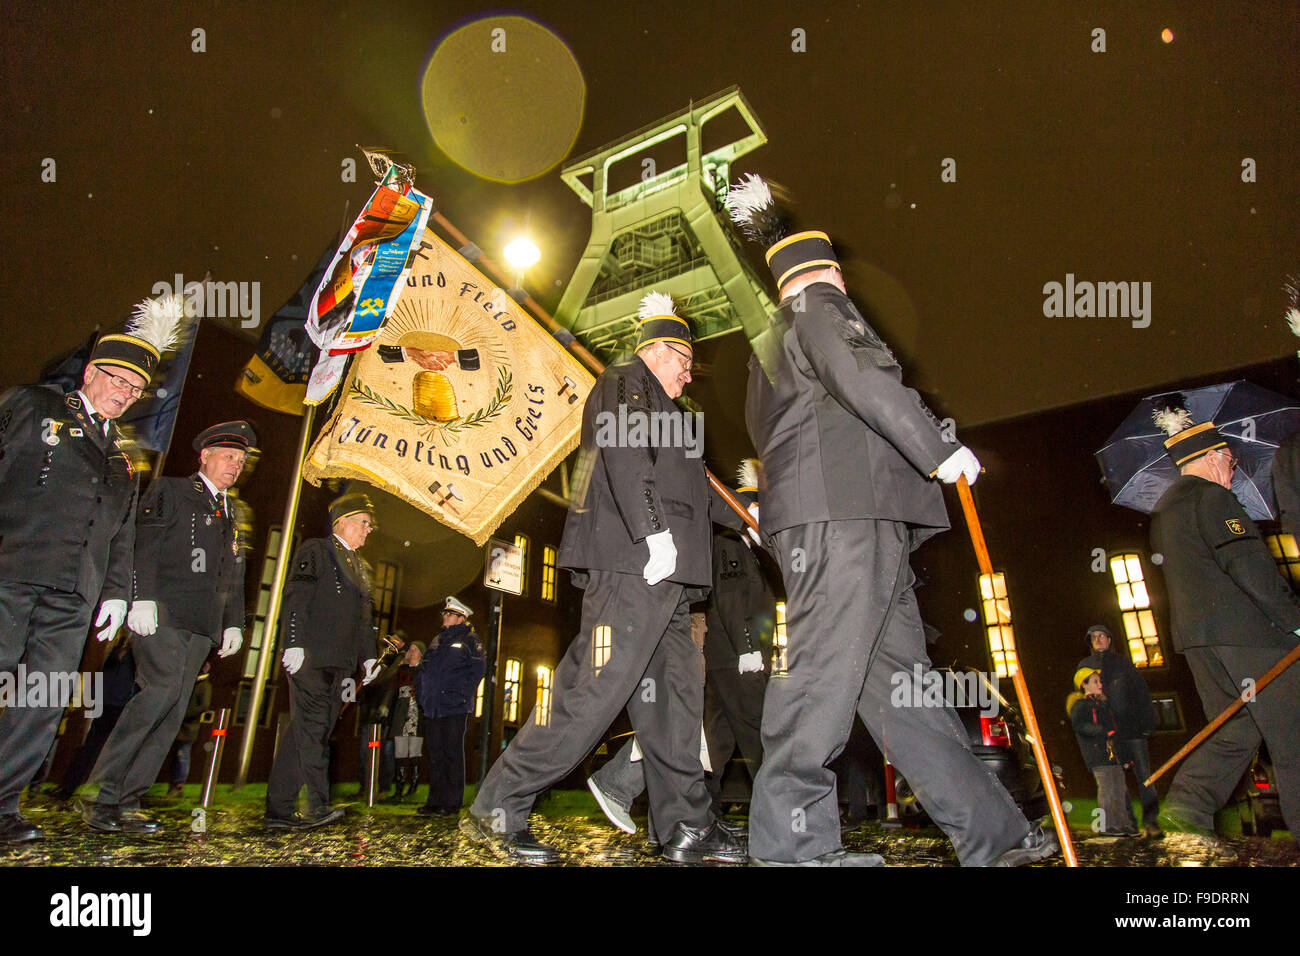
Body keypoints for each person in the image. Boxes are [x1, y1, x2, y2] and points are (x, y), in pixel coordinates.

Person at [728, 174, 1058, 866]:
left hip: (845, 522)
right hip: (845, 522)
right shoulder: (821, 309)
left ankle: (990, 834)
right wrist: (939, 450)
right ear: (829, 274)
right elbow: (867, 383)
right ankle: (793, 850)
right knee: (818, 678)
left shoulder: (772, 345)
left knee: (906, 697)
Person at [464, 291, 747, 864]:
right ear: (653, 349)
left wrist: (747, 516)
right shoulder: (625, 380)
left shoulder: (679, 417)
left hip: (672, 580)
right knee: (591, 689)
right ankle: (499, 803)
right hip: (634, 564)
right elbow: (624, 456)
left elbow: (694, 492)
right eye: (683, 360)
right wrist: (653, 533)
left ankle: (686, 826)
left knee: (674, 703)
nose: (688, 376)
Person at [0, 294, 185, 845]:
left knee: (44, 698)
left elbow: (121, 534)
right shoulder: (32, 406)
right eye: (116, 379)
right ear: (90, 372)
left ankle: (4, 804)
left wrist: (116, 594)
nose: (124, 393)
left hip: (72, 595)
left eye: (134, 389)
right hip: (12, 570)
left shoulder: (123, 460)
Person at [85, 420, 254, 833]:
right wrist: (138, 596)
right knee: (159, 691)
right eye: (229, 456)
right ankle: (99, 792)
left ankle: (128, 799)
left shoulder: (233, 512)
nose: (235, 465)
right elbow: (143, 544)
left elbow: (232, 575)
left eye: (242, 460)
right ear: (205, 456)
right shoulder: (172, 491)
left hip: (201, 625)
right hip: (160, 613)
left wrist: (233, 623)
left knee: (174, 709)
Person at [1150, 415, 1300, 841]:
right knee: (1294, 731)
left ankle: (1186, 807)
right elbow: (1249, 568)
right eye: (1231, 463)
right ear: (1213, 456)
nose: (1232, 473)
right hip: (1250, 640)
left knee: (1235, 729)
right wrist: (1294, 623)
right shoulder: (1214, 500)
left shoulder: (1165, 510)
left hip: (1199, 644)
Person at [264, 492, 380, 829]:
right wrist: (294, 643)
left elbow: (362, 619)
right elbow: (297, 596)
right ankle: (316, 804)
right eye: (363, 523)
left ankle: (279, 809)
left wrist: (369, 658)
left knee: (308, 733)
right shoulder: (317, 551)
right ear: (341, 522)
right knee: (313, 731)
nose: (367, 530)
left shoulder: (359, 567)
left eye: (369, 526)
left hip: (340, 665)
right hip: (311, 659)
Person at [1077, 624, 1161, 837]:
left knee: (1144, 775)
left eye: (1102, 636)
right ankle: (1128, 822)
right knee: (1116, 778)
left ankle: (1151, 821)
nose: (1098, 640)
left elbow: (1141, 692)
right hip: (1108, 732)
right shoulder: (1086, 666)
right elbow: (1081, 697)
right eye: (1094, 637)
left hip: (1132, 728)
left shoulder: (1123, 663)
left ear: (1109, 639)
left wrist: (1148, 723)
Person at [415, 598, 483, 815]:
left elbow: (478, 670)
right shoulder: (437, 641)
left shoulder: (470, 641)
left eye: (449, 614)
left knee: (452, 753)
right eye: (444, 614)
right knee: (435, 754)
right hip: (434, 706)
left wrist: (461, 694)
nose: (445, 617)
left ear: (461, 618)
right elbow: (425, 670)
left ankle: (452, 802)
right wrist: (423, 695)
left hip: (455, 707)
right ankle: (434, 801)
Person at [53, 635, 137, 800]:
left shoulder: (137, 652)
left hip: (122, 706)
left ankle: (105, 792)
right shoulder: (115, 649)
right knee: (89, 747)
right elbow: (104, 674)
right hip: (106, 704)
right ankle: (68, 788)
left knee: (114, 750)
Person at [1068, 666, 1137, 836]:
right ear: (1084, 685)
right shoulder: (1081, 706)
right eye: (1095, 681)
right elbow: (1080, 726)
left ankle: (1124, 823)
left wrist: (1125, 755)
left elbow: (1115, 730)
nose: (1100, 684)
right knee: (1106, 789)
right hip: (1097, 755)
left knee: (1119, 788)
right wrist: (1101, 730)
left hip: (1113, 756)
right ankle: (1107, 825)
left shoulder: (1103, 705)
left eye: (1099, 681)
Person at [386, 639, 426, 801]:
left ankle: (413, 786)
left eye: (416, 649)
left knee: (414, 751)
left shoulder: (424, 671)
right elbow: (392, 690)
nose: (412, 651)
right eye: (411, 649)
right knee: (400, 752)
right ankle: (399, 788)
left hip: (416, 714)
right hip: (400, 714)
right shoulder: (401, 669)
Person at [167, 659, 213, 797]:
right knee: (177, 754)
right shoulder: (191, 683)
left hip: (189, 726)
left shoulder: (203, 685)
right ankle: (174, 783)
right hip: (180, 725)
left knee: (182, 754)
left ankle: (178, 784)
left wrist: (185, 714)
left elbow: (203, 706)